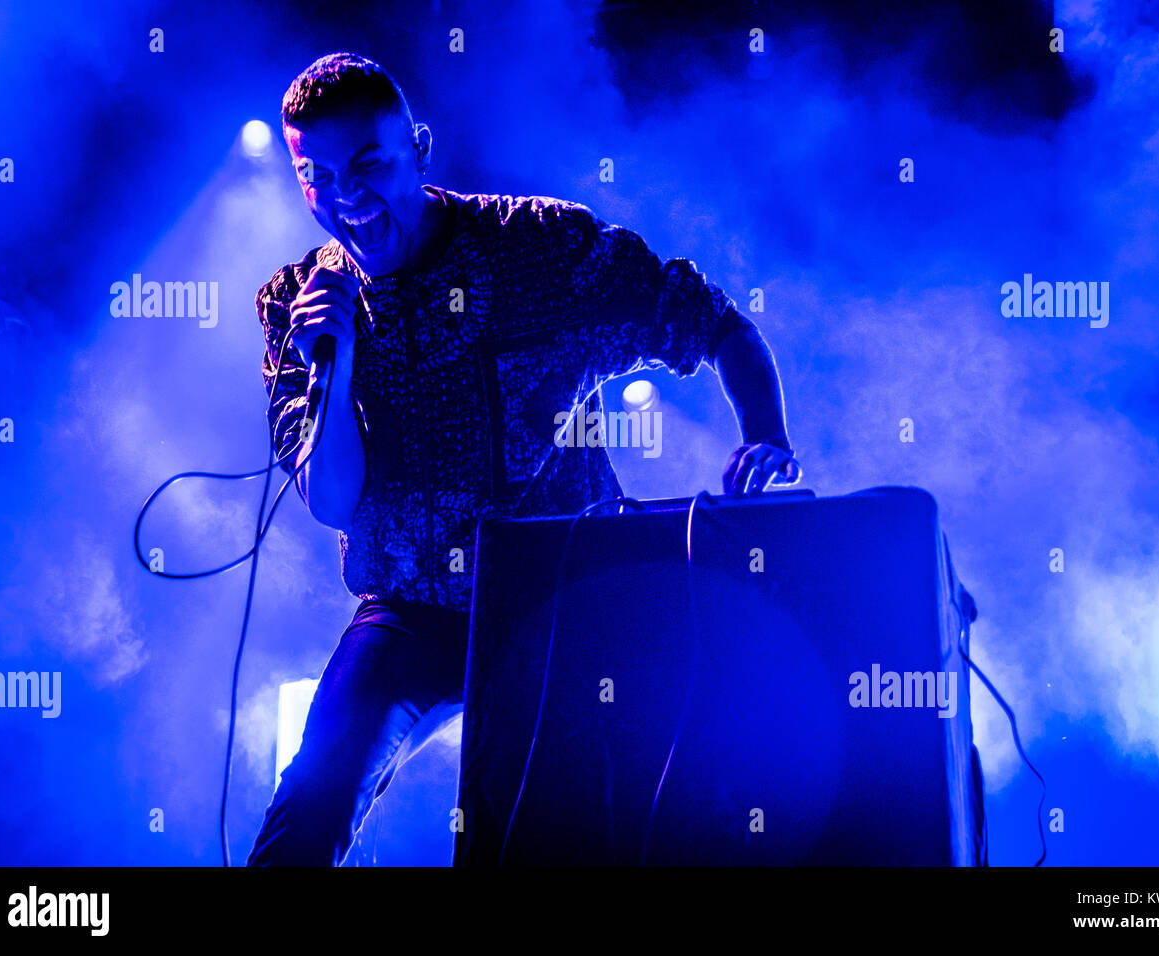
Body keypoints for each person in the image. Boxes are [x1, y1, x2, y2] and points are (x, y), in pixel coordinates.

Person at [246, 51, 800, 866]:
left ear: (420, 149)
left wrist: (767, 434)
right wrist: (335, 358)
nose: (347, 198)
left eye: (369, 165)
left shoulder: (537, 248)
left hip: (557, 595)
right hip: (408, 609)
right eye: (316, 176)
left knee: (514, 834)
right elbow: (331, 501)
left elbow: (715, 324)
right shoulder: (300, 302)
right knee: (306, 811)